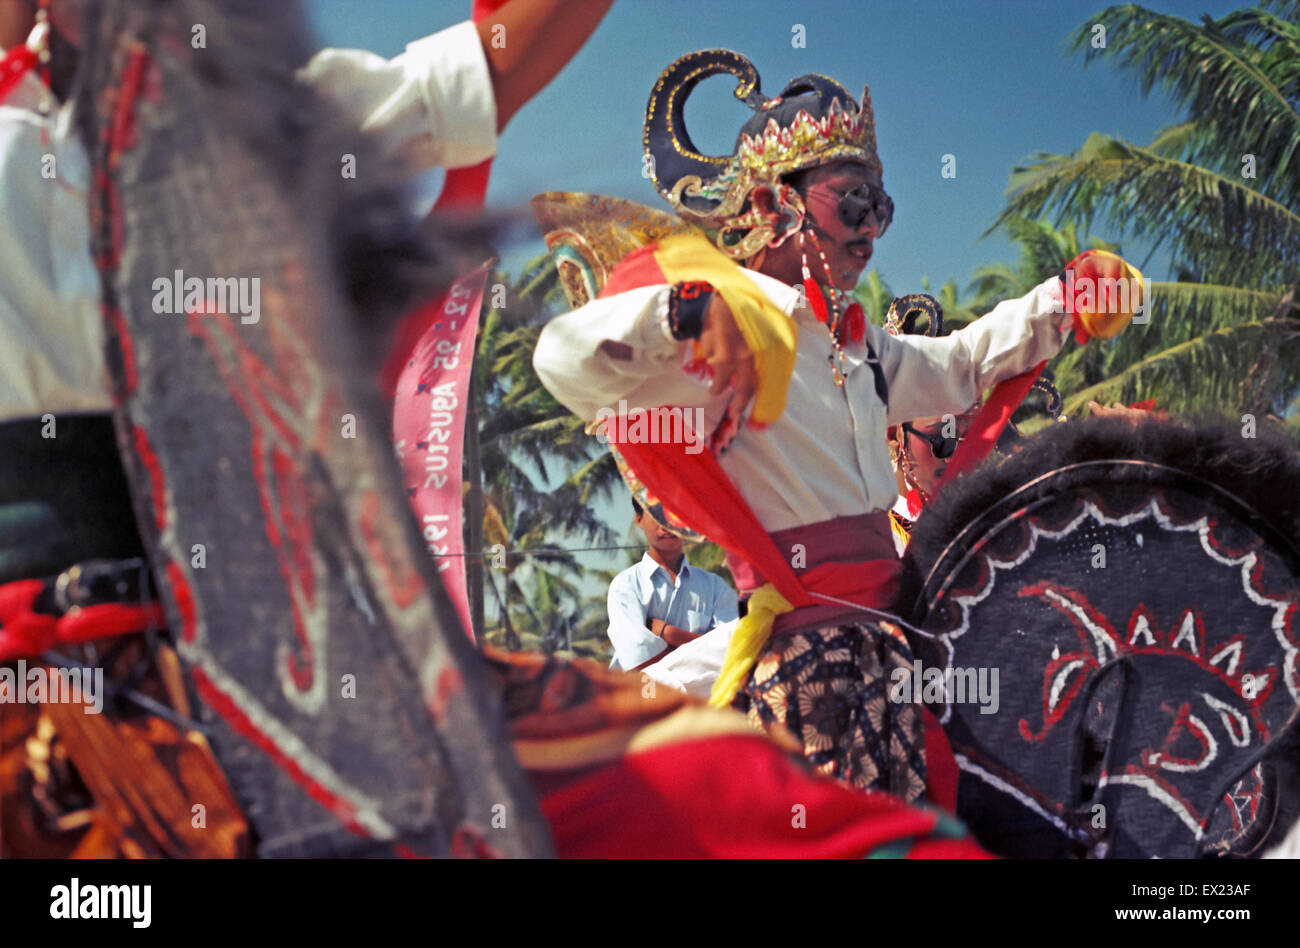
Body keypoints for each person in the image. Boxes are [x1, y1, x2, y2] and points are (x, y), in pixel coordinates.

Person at [533, 49, 1142, 799]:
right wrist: (686, 312)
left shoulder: (862, 347)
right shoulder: (723, 334)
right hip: (807, 671)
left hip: (895, 648)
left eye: (880, 207)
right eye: (852, 201)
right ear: (769, 207)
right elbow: (560, 358)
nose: (873, 229)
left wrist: (1064, 294)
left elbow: (959, 366)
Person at [606, 498, 738, 672]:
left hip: (702, 697)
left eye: (674, 513)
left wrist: (668, 633)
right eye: (656, 514)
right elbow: (638, 659)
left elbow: (734, 649)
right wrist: (701, 645)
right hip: (645, 693)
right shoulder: (626, 586)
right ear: (639, 519)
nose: (666, 523)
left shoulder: (715, 587)